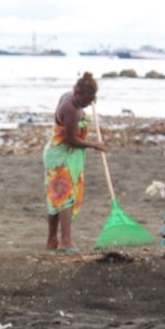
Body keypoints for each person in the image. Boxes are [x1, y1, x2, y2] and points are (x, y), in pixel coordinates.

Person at [43, 71, 107, 253]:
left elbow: (80, 114)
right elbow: (71, 140)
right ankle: (66, 242)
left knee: (57, 196)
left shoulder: (71, 98)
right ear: (77, 92)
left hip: (64, 153)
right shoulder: (71, 109)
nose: (88, 104)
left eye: (91, 101)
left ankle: (52, 241)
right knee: (64, 197)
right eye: (86, 100)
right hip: (60, 153)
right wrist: (94, 145)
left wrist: (87, 103)